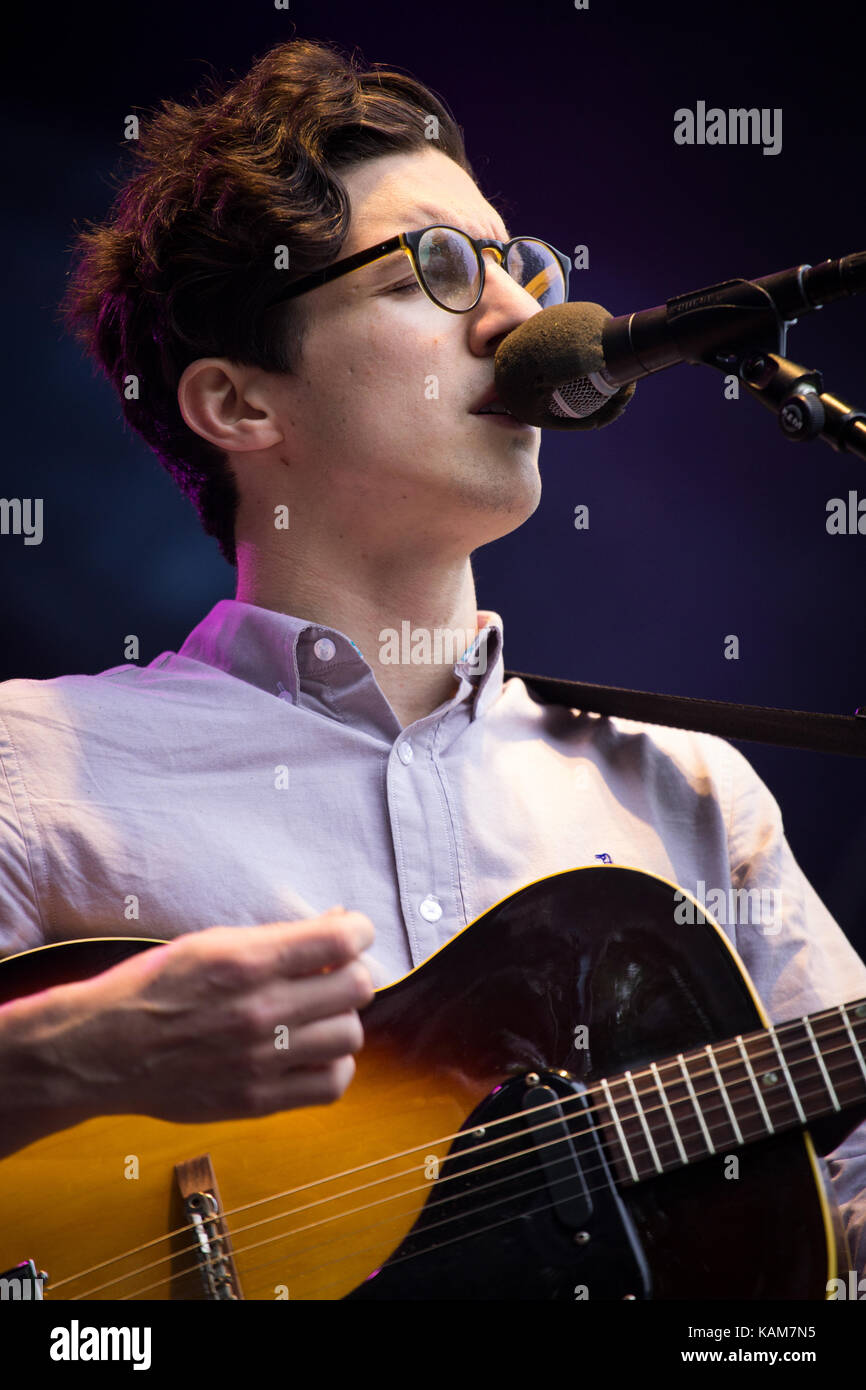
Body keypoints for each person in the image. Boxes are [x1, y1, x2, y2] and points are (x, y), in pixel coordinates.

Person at [1, 37, 864, 1285]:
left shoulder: (689, 794)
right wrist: (73, 1055)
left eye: (516, 264)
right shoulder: (34, 768)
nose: (525, 318)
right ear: (240, 405)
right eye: (438, 272)